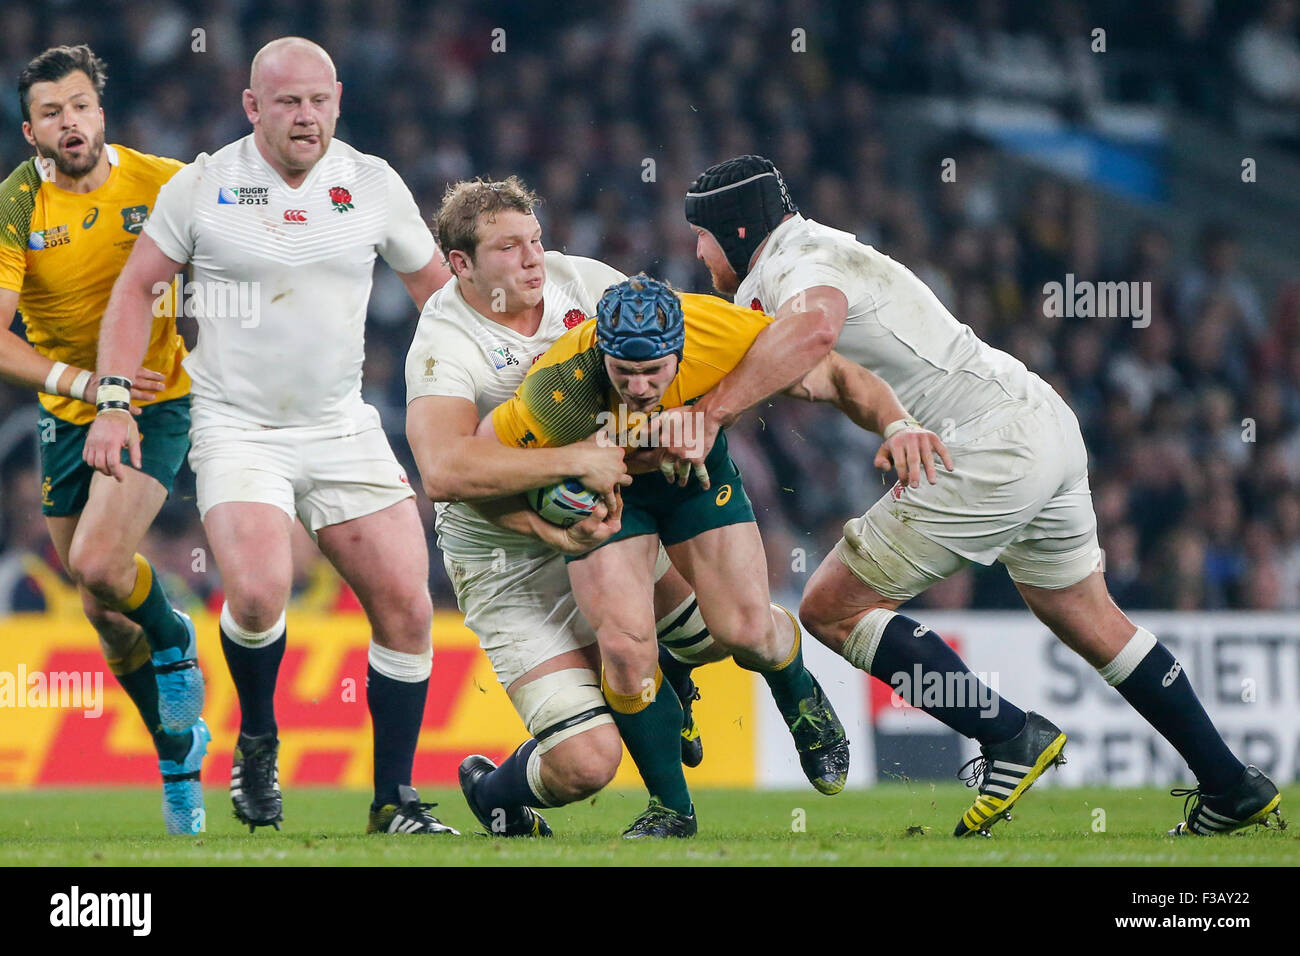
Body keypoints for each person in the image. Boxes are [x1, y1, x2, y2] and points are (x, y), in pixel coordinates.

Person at [664, 154, 1283, 837]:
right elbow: (815, 368)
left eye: (702, 236)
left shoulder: (794, 262)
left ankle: (1009, 735)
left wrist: (708, 416)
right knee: (1087, 615)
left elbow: (815, 330)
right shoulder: (810, 253)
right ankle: (1231, 783)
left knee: (831, 607)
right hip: (1037, 418)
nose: (697, 252)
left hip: (986, 442)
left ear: (739, 232)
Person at [83, 37, 456, 836]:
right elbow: (137, 289)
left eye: (319, 100)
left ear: (339, 101)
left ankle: (394, 800)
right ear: (253, 106)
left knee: (407, 604)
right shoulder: (202, 185)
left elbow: (440, 295)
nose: (306, 116)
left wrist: (485, 389)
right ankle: (258, 739)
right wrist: (112, 400)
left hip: (342, 424)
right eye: (288, 102)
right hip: (238, 426)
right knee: (256, 594)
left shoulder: (372, 183)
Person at [483, 273, 951, 837]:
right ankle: (671, 809)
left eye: (654, 371)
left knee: (744, 631)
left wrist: (897, 423)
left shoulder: (716, 330)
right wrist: (544, 524)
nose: (639, 386)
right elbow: (479, 467)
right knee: (625, 653)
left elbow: (834, 374)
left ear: (681, 351)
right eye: (623, 371)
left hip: (695, 480)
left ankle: (798, 694)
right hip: (611, 498)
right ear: (599, 352)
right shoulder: (556, 388)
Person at [404, 177, 718, 838]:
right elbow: (444, 470)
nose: (533, 259)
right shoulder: (444, 342)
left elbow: (673, 349)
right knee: (585, 765)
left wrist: (684, 420)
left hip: (599, 525)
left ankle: (669, 679)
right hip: (505, 557)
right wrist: (575, 463)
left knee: (719, 631)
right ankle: (495, 793)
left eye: (536, 240)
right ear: (460, 264)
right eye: (508, 248)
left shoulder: (583, 284)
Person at [0, 44, 206, 835]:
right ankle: (177, 755)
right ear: (31, 132)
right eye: (51, 112)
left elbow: (239, 263)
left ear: (101, 112)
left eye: (81, 105)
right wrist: (85, 386)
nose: (70, 122)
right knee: (101, 609)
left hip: (157, 399)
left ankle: (175, 636)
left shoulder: (164, 183)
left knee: (96, 563)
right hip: (68, 411)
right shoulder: (17, 203)